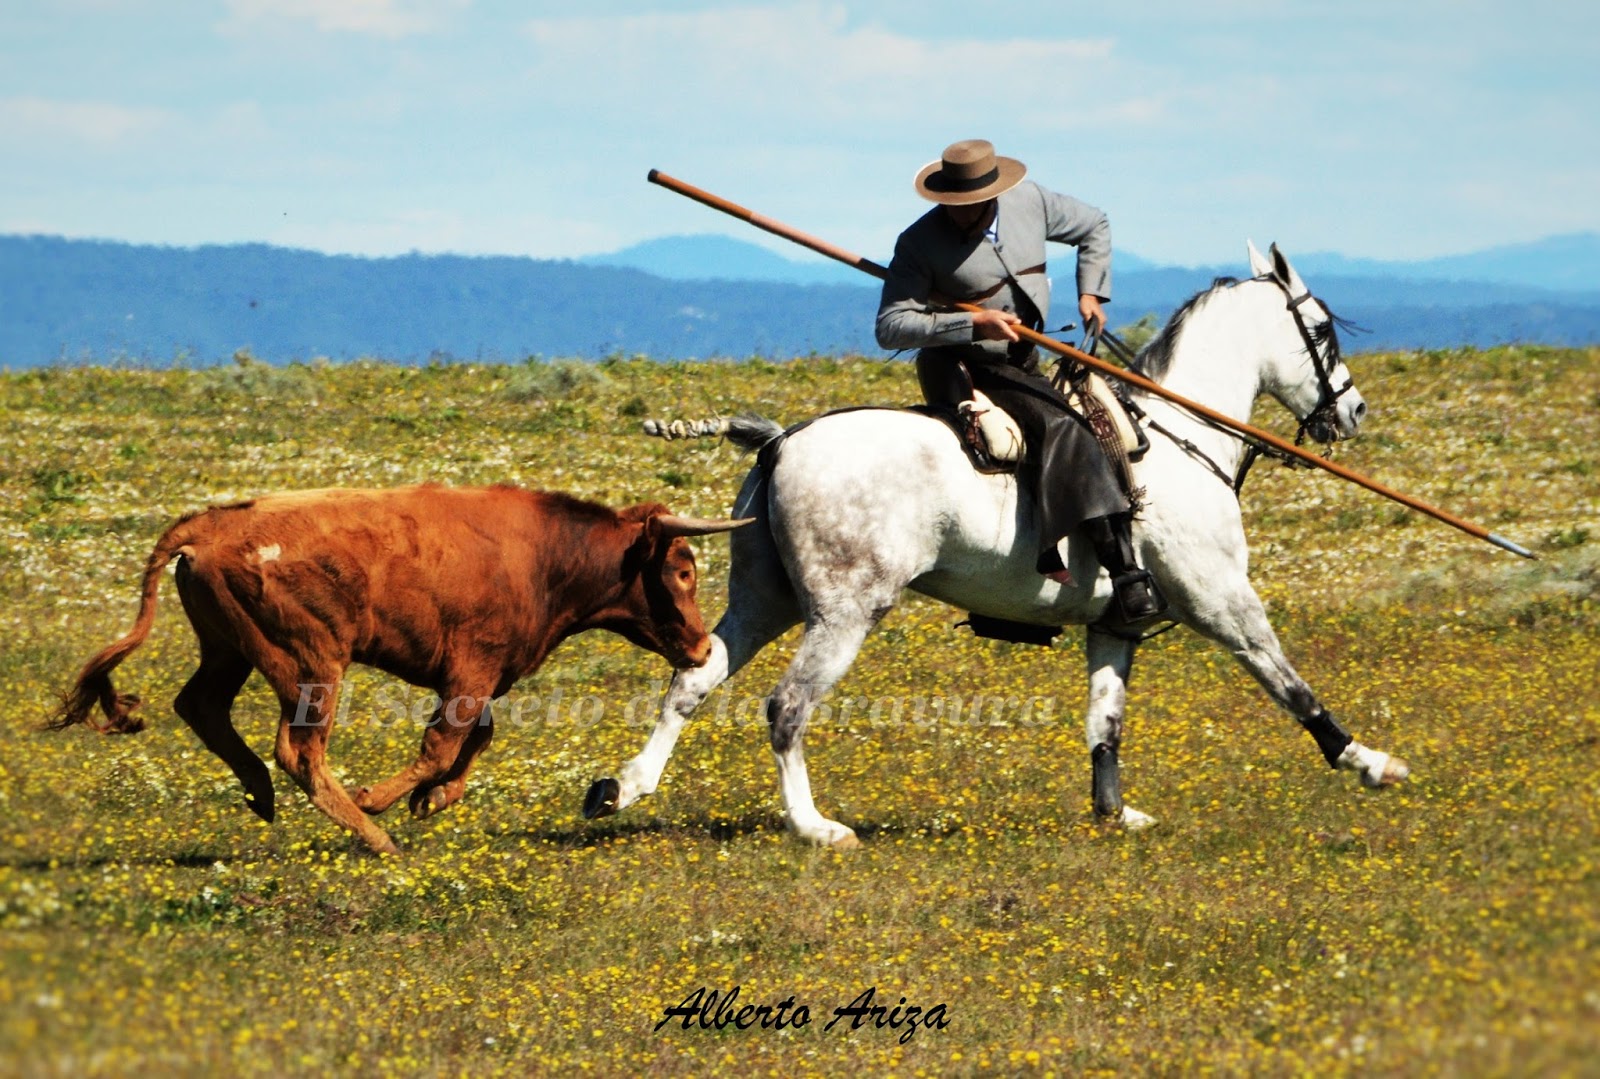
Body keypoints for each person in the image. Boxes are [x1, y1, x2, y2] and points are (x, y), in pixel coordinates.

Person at [875, 138, 1165, 622]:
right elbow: (890, 327)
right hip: (968, 367)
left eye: (970, 206)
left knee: (1107, 417)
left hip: (1028, 357)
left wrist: (1091, 292)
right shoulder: (917, 244)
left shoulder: (1030, 201)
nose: (960, 215)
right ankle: (1124, 573)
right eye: (952, 206)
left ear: (993, 193)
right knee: (1063, 427)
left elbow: (1094, 224)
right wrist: (971, 324)